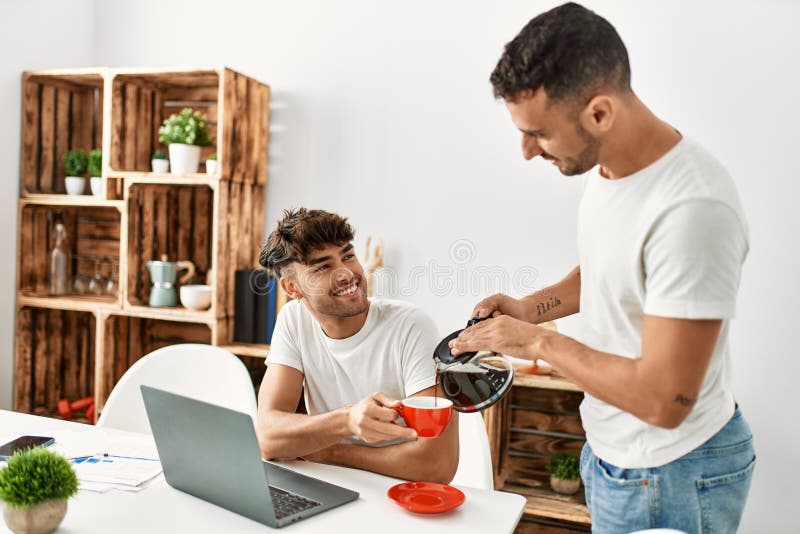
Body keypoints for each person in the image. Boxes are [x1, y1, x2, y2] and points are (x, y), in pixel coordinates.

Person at [449, 3, 754, 532]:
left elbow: (666, 401)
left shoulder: (692, 210)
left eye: (539, 133)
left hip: (673, 471)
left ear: (599, 113)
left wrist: (537, 341)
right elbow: (608, 268)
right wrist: (530, 307)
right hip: (614, 455)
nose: (526, 152)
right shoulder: (610, 168)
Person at [255, 208, 458, 483]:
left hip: (401, 493)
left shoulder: (410, 326)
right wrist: (347, 421)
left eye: (348, 256)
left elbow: (436, 464)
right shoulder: (293, 321)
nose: (346, 274)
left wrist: (329, 451)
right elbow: (267, 436)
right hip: (333, 486)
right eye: (323, 267)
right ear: (292, 288)